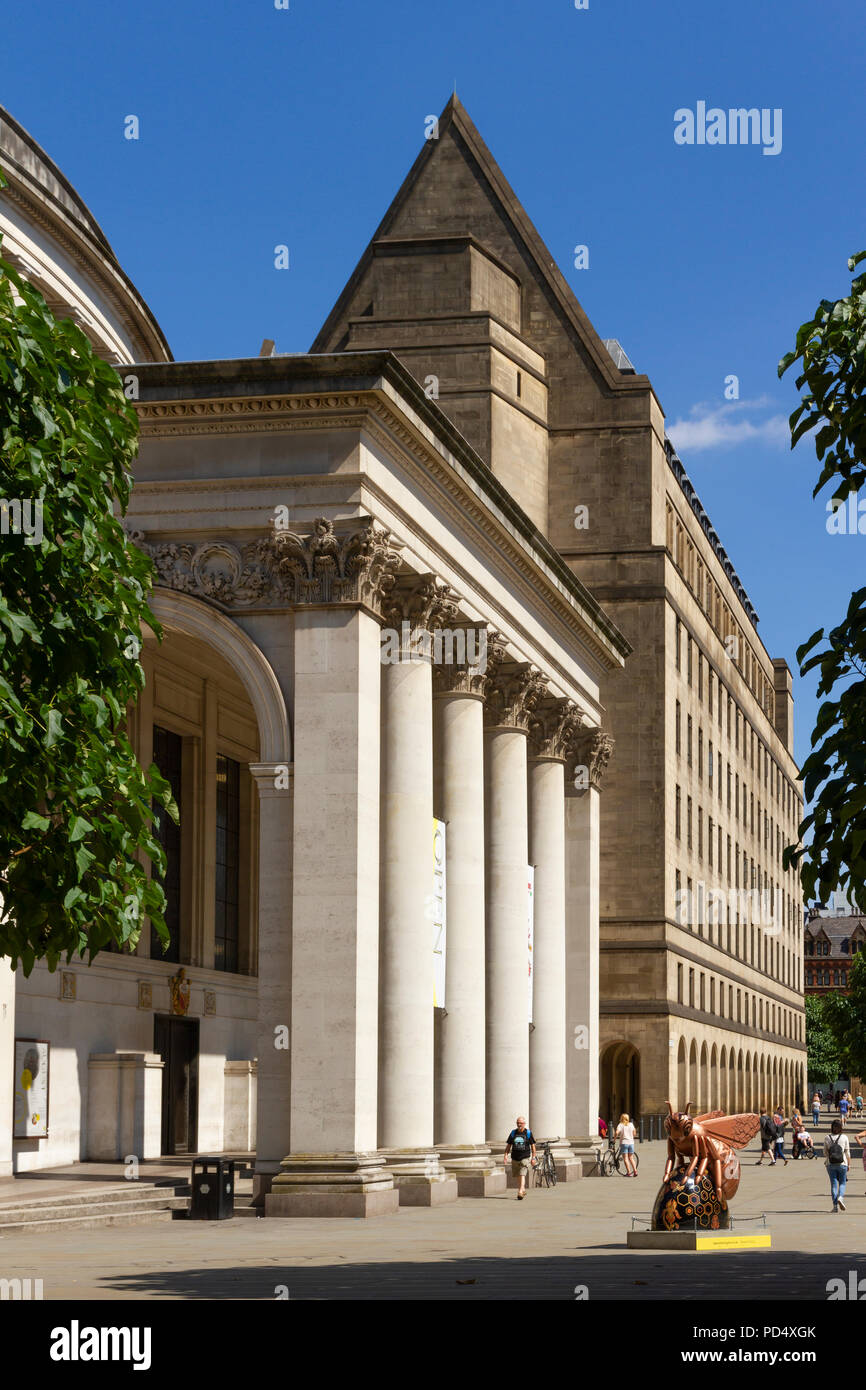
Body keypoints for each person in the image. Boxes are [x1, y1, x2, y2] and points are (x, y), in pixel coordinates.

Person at [504, 1116, 537, 1201]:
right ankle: (523, 1189)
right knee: (518, 1175)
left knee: (522, 1174)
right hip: (515, 1157)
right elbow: (509, 1145)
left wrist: (533, 1157)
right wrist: (505, 1155)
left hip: (524, 1157)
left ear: (524, 1124)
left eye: (521, 1123)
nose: (519, 1124)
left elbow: (533, 1146)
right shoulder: (513, 1133)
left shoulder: (528, 1133)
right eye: (518, 1123)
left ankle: (520, 1190)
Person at [823, 1118, 851, 1212]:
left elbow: (825, 1152)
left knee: (834, 1184)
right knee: (842, 1182)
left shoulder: (827, 1137)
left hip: (830, 1164)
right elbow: (847, 1152)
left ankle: (835, 1207)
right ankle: (840, 1197)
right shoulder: (844, 1137)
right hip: (842, 1163)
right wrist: (849, 1164)